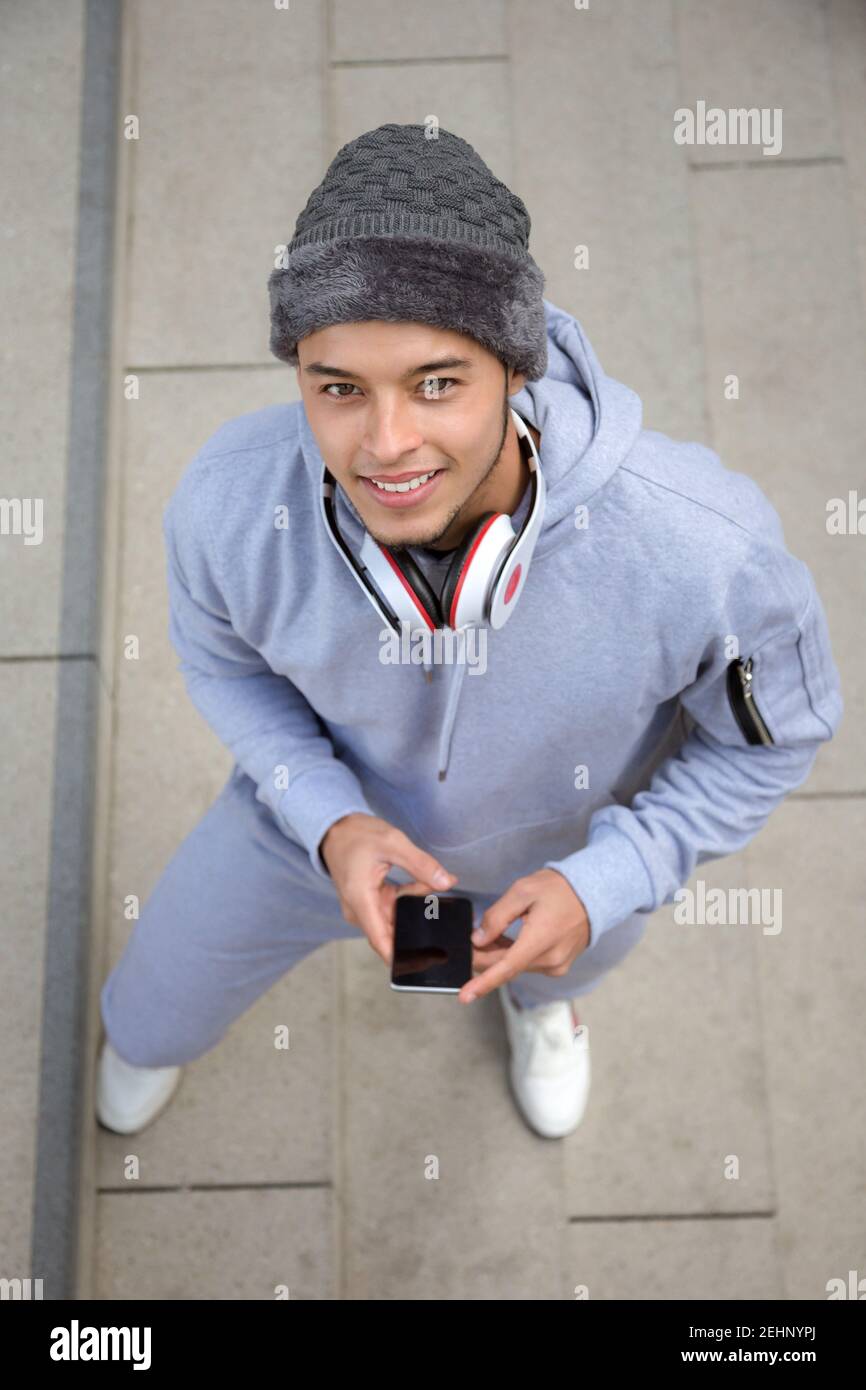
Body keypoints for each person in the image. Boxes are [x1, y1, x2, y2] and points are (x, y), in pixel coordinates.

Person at [97, 122, 843, 1141]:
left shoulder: (704, 547)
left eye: (435, 381)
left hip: (565, 855)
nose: (386, 443)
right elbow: (222, 665)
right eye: (338, 387)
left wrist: (610, 879)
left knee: (551, 968)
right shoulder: (225, 504)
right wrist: (324, 815)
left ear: (515, 365)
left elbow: (774, 740)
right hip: (312, 832)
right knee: (151, 1004)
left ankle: (542, 1007)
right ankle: (150, 1034)